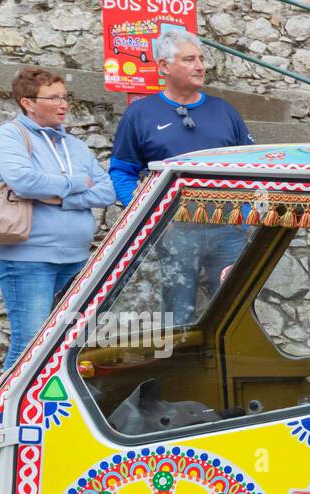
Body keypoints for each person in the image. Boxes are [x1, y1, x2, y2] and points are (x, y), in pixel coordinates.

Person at [109, 30, 253, 320]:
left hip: (229, 230)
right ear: (164, 67)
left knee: (236, 312)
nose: (200, 65)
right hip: (175, 232)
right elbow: (122, 172)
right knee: (177, 315)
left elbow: (252, 169)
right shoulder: (140, 114)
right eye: (189, 59)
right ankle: (178, 365)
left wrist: (246, 215)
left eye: (201, 58)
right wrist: (150, 217)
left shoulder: (225, 111)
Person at [0, 67, 115, 369]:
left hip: (75, 257)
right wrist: (74, 184)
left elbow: (106, 192)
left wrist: (57, 196)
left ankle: (50, 414)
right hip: (27, 257)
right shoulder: (11, 134)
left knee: (70, 343)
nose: (64, 104)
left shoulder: (74, 145)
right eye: (53, 98)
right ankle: (9, 416)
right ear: (27, 102)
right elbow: (23, 181)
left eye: (65, 96)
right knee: (29, 344)